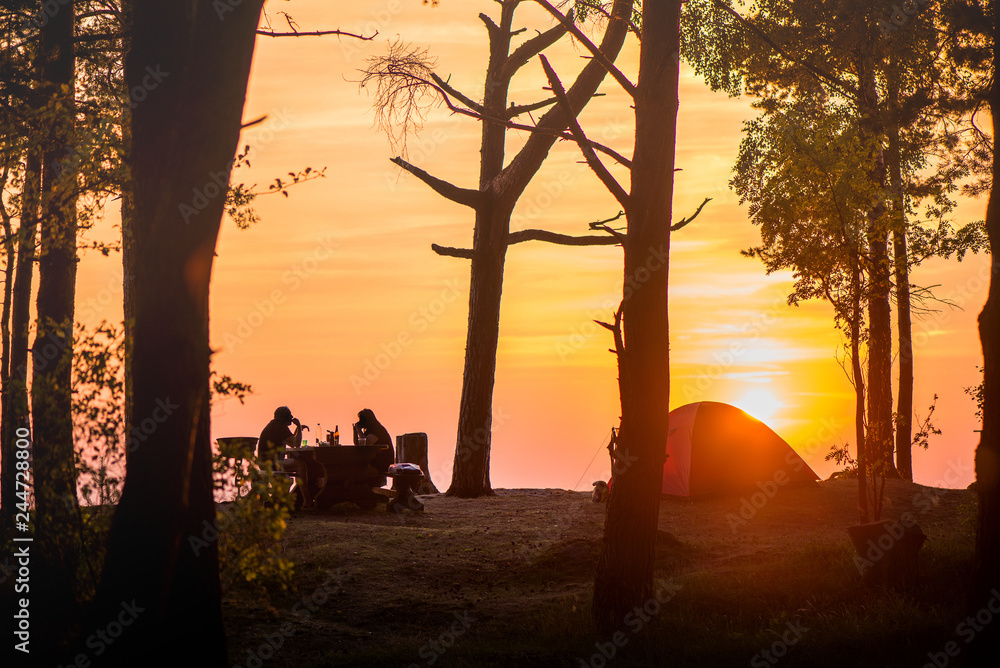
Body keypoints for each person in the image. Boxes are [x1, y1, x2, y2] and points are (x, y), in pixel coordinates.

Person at [258, 406, 314, 508]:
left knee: (287, 479)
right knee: (301, 466)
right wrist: (299, 426)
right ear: (285, 417)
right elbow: (296, 444)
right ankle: (307, 500)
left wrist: (298, 429)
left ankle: (276, 502)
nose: (292, 417)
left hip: (266, 462)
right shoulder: (280, 427)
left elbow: (290, 440)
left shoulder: (275, 425)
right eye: (290, 415)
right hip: (272, 463)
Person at [354, 408, 394, 473]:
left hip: (382, 463)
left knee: (357, 467)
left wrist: (359, 430)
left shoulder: (376, 429)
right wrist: (355, 432)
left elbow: (365, 445)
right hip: (376, 462)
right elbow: (358, 445)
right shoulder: (369, 430)